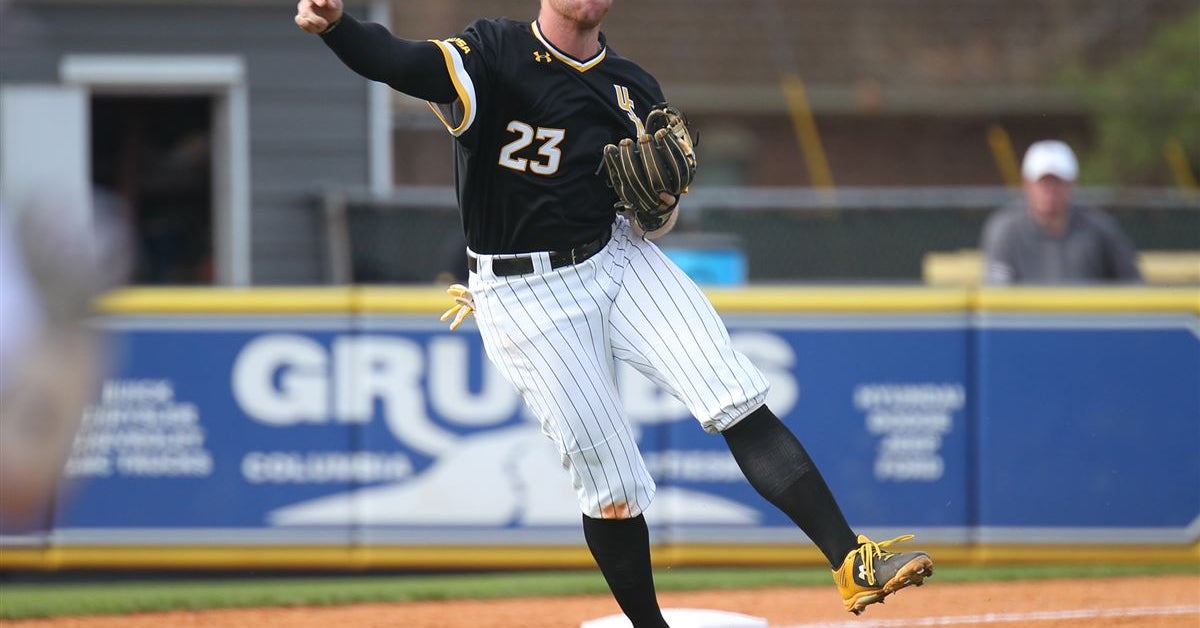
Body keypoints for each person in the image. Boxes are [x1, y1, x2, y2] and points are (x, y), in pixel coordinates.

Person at [296, 0, 932, 623]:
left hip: (615, 257)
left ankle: (852, 560)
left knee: (733, 392)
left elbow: (656, 220)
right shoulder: (494, 52)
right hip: (525, 295)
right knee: (613, 488)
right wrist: (338, 27)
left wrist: (662, 202)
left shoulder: (632, 88)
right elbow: (401, 62)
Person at [982, 140, 1143, 285]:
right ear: (1026, 184)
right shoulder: (1005, 230)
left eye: (1057, 182)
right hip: (1026, 312)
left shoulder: (1100, 227)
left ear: (1073, 184)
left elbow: (1133, 285)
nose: (1050, 190)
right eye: (1043, 182)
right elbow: (998, 293)